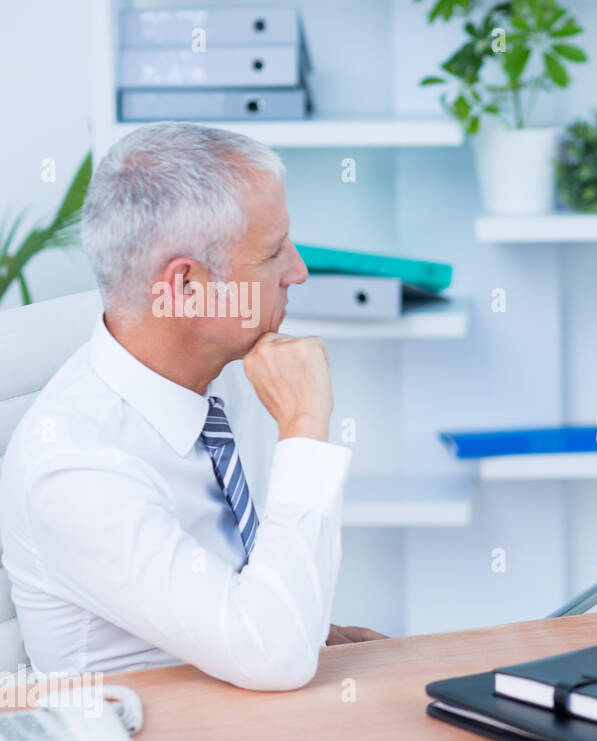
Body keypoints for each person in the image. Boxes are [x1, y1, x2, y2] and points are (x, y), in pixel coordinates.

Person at [0, 122, 384, 691]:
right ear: (185, 286)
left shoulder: (215, 384)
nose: (297, 271)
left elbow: (244, 617)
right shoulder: (74, 466)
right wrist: (304, 429)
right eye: (273, 252)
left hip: (247, 719)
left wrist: (315, 630)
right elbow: (271, 656)